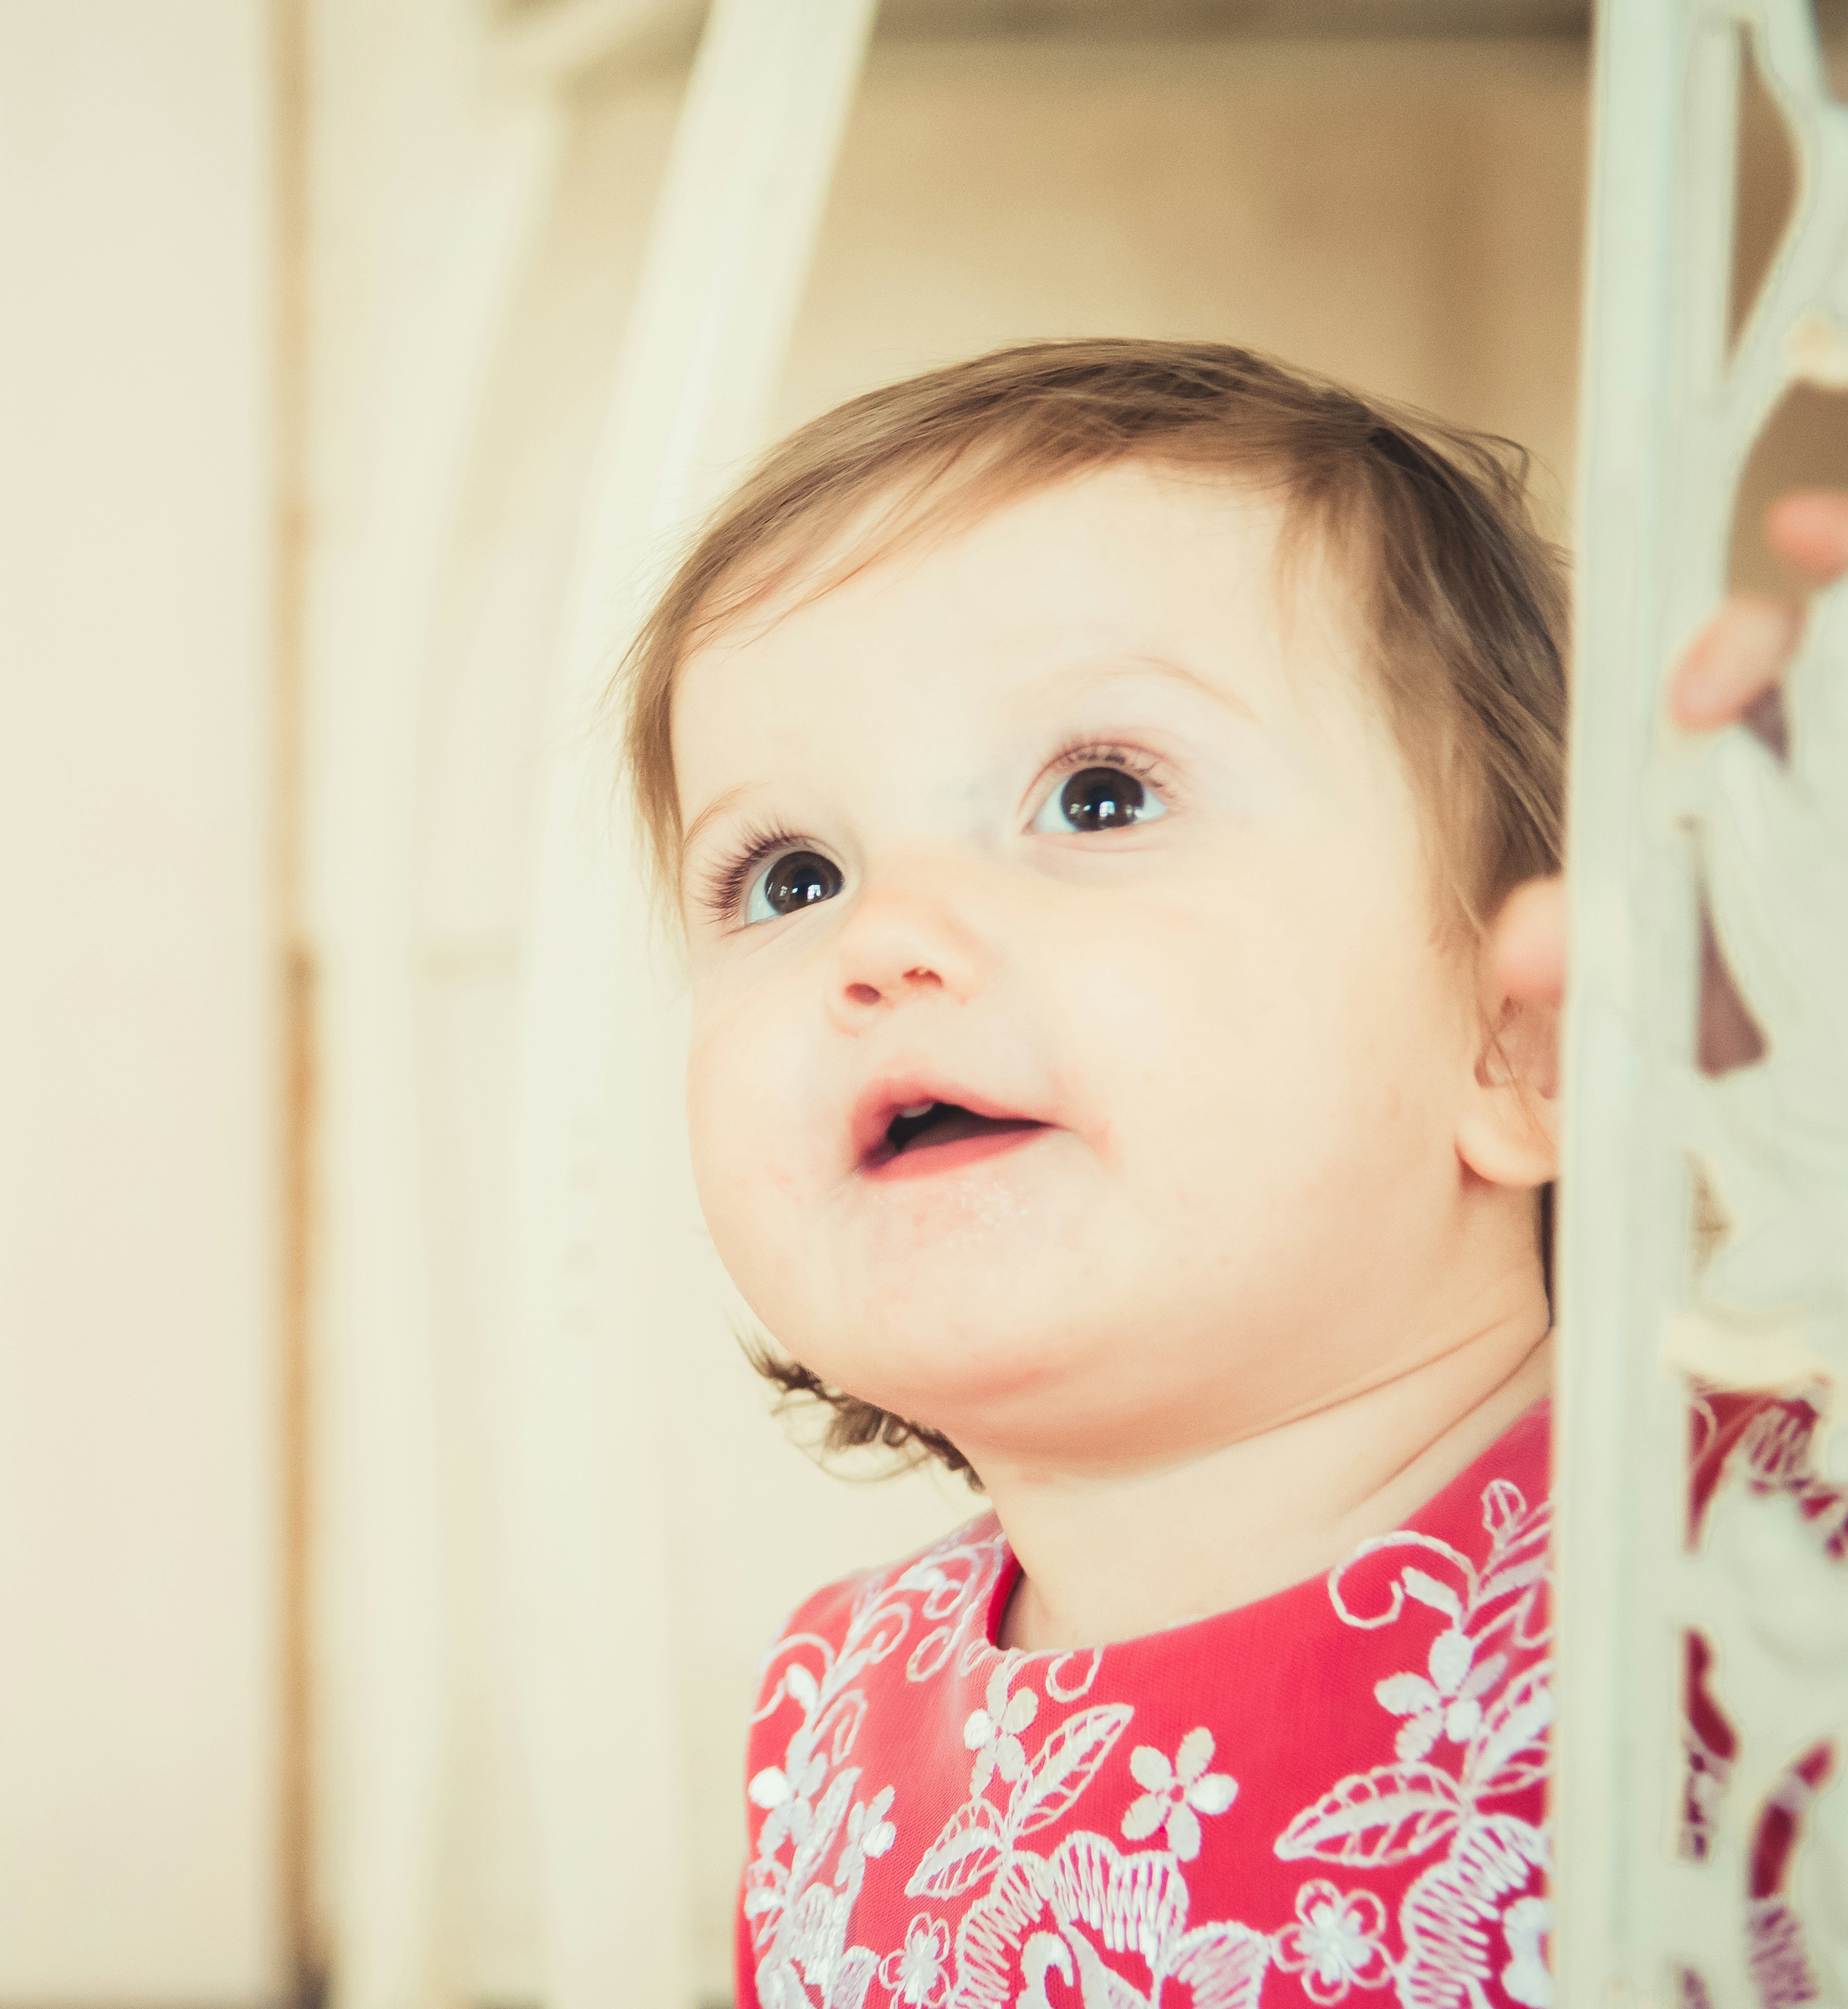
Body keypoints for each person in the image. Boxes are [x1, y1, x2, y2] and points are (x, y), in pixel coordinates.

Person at [615, 338, 1814, 2009]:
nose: (879, 941)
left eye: (1099, 799)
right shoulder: (829, 1707)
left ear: (1524, 1041)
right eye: (791, 876)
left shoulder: (1760, 1583)